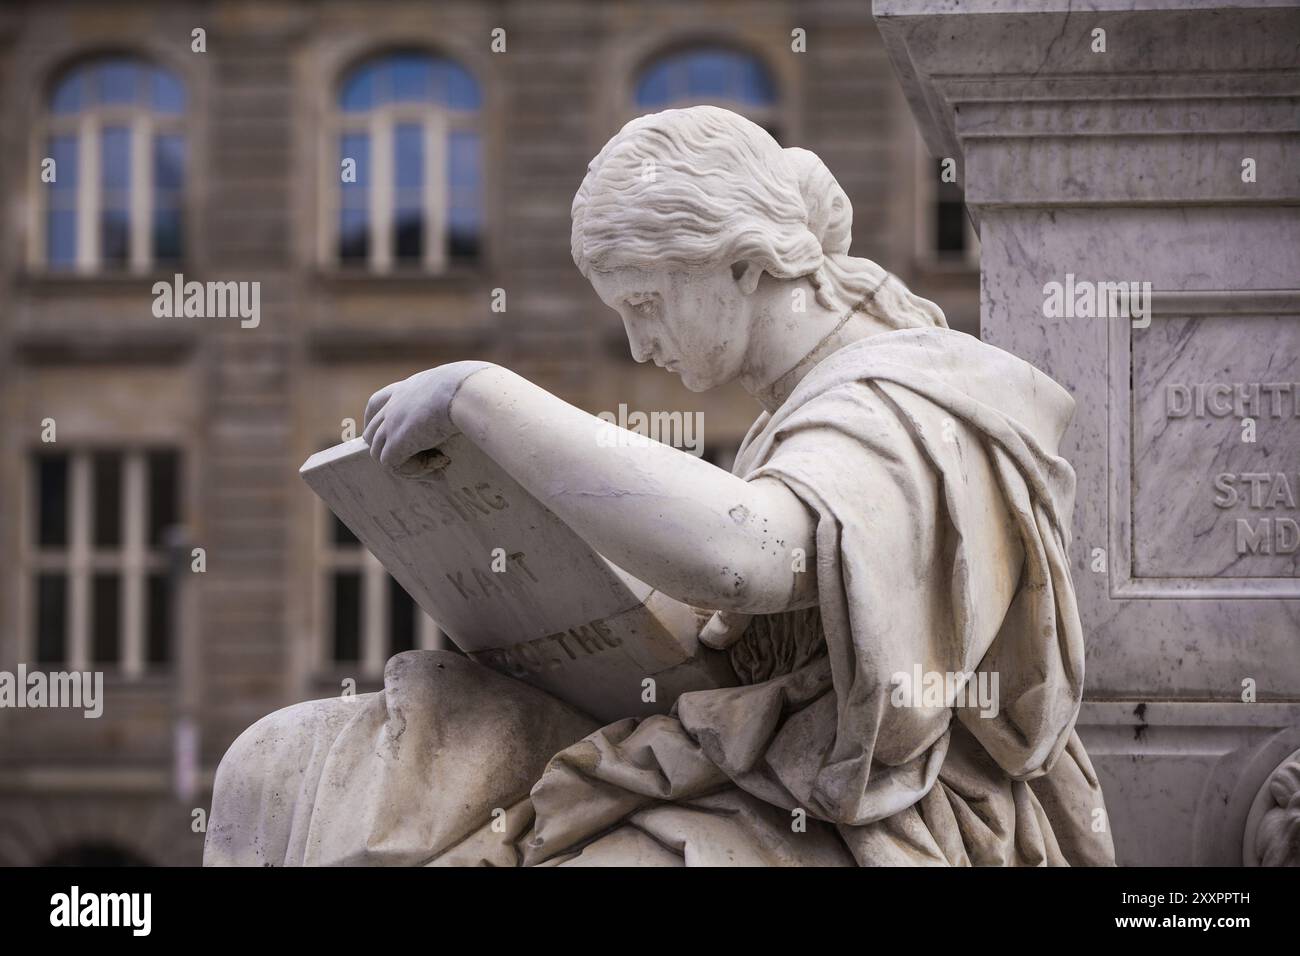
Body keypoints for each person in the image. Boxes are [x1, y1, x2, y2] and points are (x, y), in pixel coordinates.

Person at [205, 106, 1114, 867]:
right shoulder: (794, 413)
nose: (639, 347)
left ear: (748, 265)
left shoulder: (906, 394)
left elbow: (746, 559)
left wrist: (482, 397)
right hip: (736, 752)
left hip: (867, 802)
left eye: (646, 303)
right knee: (278, 761)